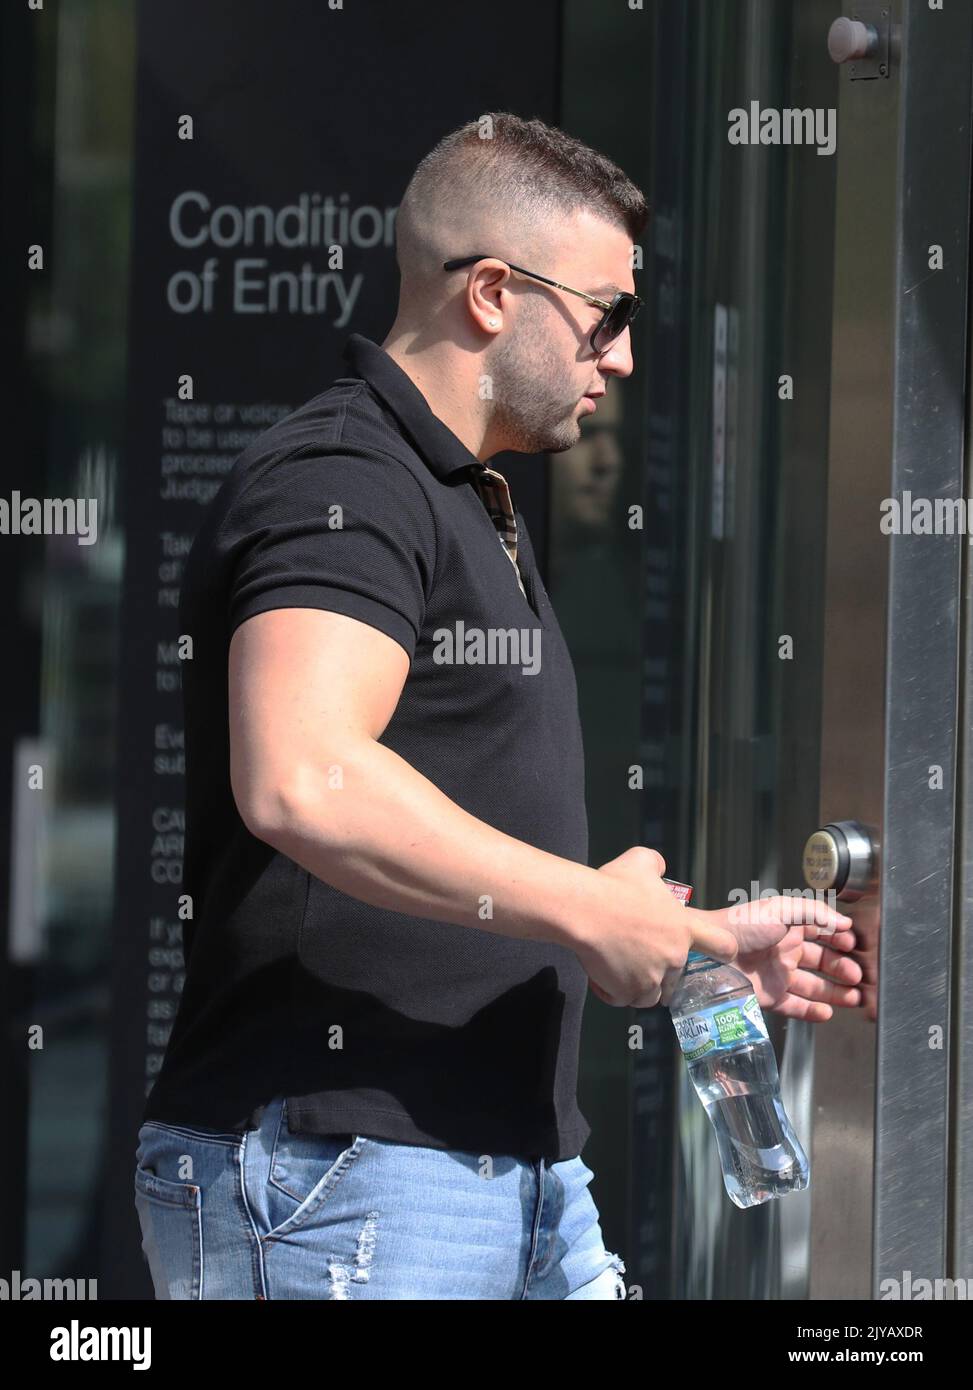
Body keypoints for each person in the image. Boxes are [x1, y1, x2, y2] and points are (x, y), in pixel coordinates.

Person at [133, 112, 862, 1300]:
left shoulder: (463, 496)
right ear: (490, 293)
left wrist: (695, 944)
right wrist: (586, 908)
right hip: (346, 1182)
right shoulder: (346, 478)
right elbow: (302, 773)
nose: (621, 358)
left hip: (507, 1175)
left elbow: (450, 860)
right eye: (607, 315)